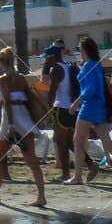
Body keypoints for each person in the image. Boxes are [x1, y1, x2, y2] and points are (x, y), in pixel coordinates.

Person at [0, 47, 46, 207]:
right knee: (31, 159)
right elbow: (28, 98)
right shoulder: (21, 78)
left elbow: (7, 103)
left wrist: (10, 125)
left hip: (10, 119)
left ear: (2, 62)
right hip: (24, 118)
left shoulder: (3, 79)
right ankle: (41, 196)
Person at [69, 38, 112, 188]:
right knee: (107, 142)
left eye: (80, 49)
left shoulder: (88, 66)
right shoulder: (96, 65)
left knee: (78, 141)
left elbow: (89, 90)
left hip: (88, 107)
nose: (79, 51)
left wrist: (75, 103)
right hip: (100, 107)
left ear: (84, 50)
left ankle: (77, 176)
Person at [43, 44, 79, 182]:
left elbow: (52, 91)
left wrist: (49, 109)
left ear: (53, 56)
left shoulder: (55, 69)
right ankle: (89, 163)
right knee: (70, 142)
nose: (46, 60)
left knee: (60, 142)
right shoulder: (68, 67)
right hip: (71, 107)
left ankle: (65, 174)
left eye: (47, 57)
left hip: (60, 108)